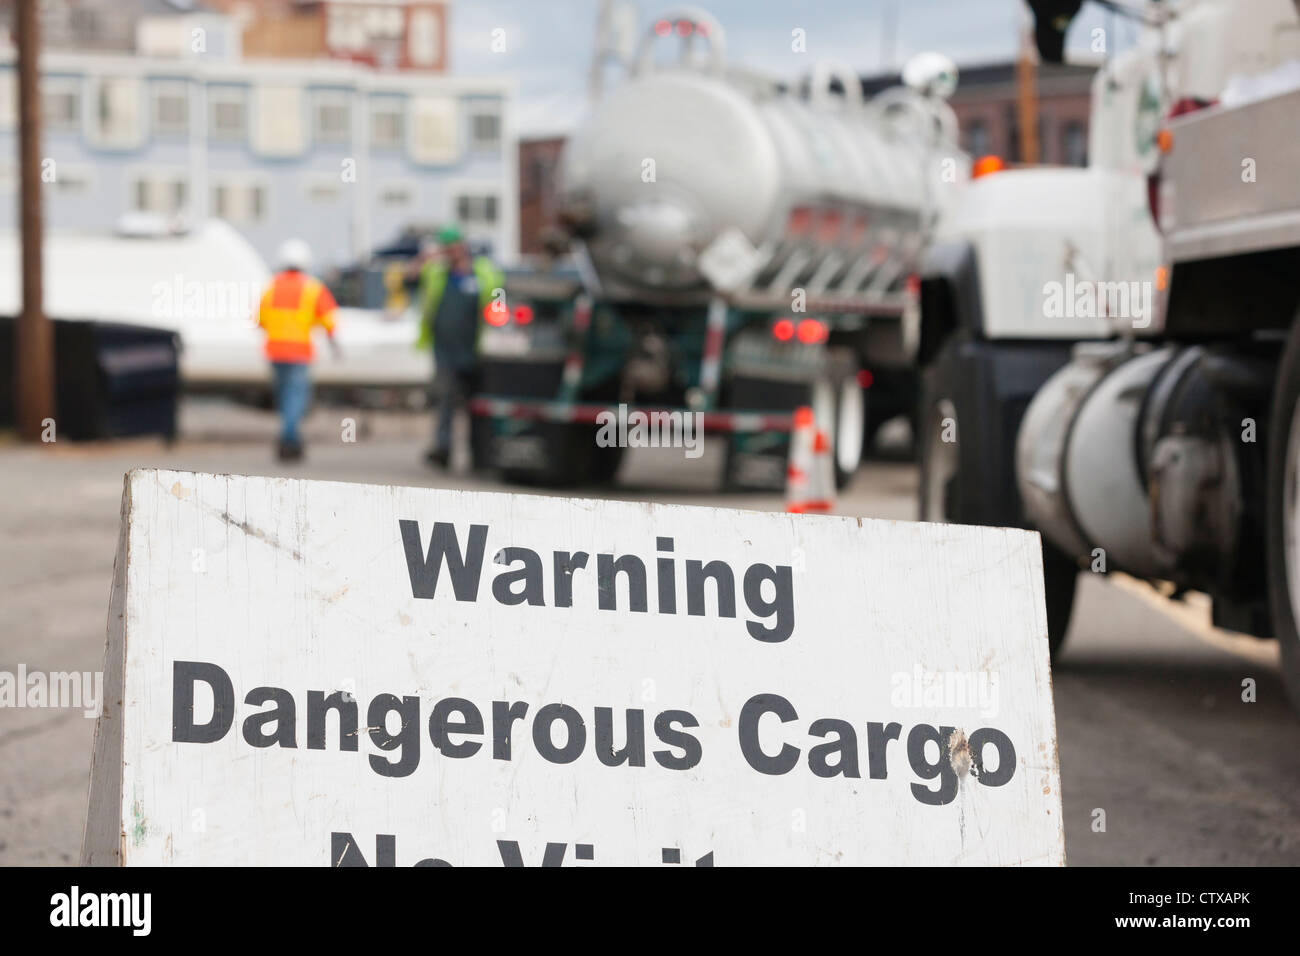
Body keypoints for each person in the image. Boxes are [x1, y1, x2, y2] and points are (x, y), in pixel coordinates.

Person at [414, 225, 504, 468]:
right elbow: (410, 279)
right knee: (444, 400)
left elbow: (498, 303)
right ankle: (443, 450)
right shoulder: (436, 273)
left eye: (453, 247)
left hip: (476, 349)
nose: (450, 252)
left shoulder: (484, 272)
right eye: (446, 248)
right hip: (444, 349)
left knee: (477, 405)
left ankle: (480, 454)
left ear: (462, 246)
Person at [257, 238, 340, 461]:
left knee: (285, 397)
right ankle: (290, 440)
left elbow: (260, 320)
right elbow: (329, 318)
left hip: (275, 351)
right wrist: (333, 342)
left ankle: (289, 437)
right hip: (299, 352)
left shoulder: (272, 286)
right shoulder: (312, 288)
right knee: (296, 398)